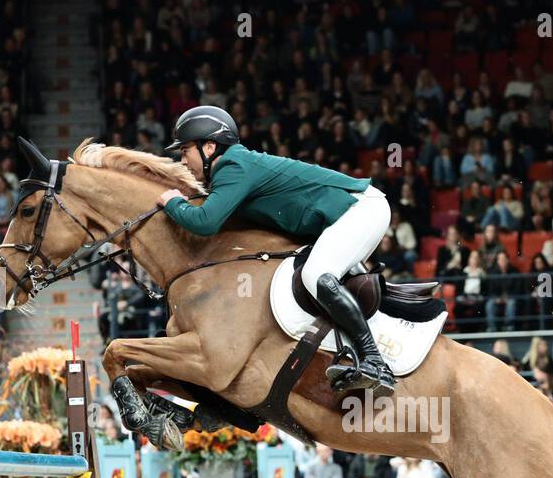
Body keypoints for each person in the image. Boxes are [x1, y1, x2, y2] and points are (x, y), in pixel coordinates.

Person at [156, 105, 394, 396]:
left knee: (316, 275)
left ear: (209, 146)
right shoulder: (232, 168)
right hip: (343, 216)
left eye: (185, 151)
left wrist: (172, 202)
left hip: (361, 209)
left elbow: (205, 222)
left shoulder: (233, 166)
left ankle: (375, 361)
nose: (182, 160)